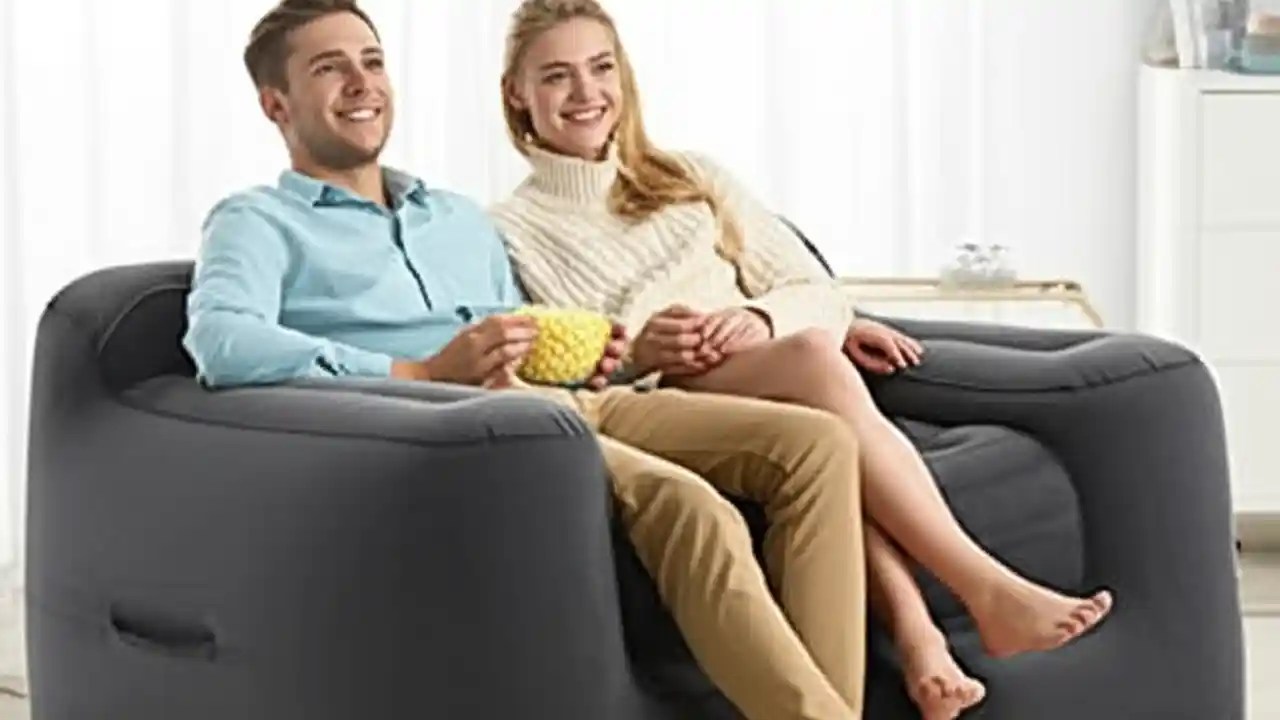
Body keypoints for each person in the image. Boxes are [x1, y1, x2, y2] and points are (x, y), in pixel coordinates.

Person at [182, 2, 870, 719]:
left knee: (816, 447)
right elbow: (224, 343)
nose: (362, 83)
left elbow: (533, 335)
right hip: (451, 427)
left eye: (373, 61)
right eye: (331, 68)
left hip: (555, 401)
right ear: (275, 104)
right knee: (691, 506)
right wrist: (417, 374)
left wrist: (620, 353)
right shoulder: (255, 221)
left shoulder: (454, 217)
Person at [490, 2, 1115, 719]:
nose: (586, 94)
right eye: (557, 77)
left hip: (763, 362)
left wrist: (756, 318)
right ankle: (981, 586)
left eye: (601, 69)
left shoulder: (689, 177)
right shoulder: (508, 230)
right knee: (817, 368)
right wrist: (639, 350)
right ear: (518, 93)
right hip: (669, 396)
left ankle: (919, 637)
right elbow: (558, 360)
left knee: (821, 413)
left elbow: (813, 287)